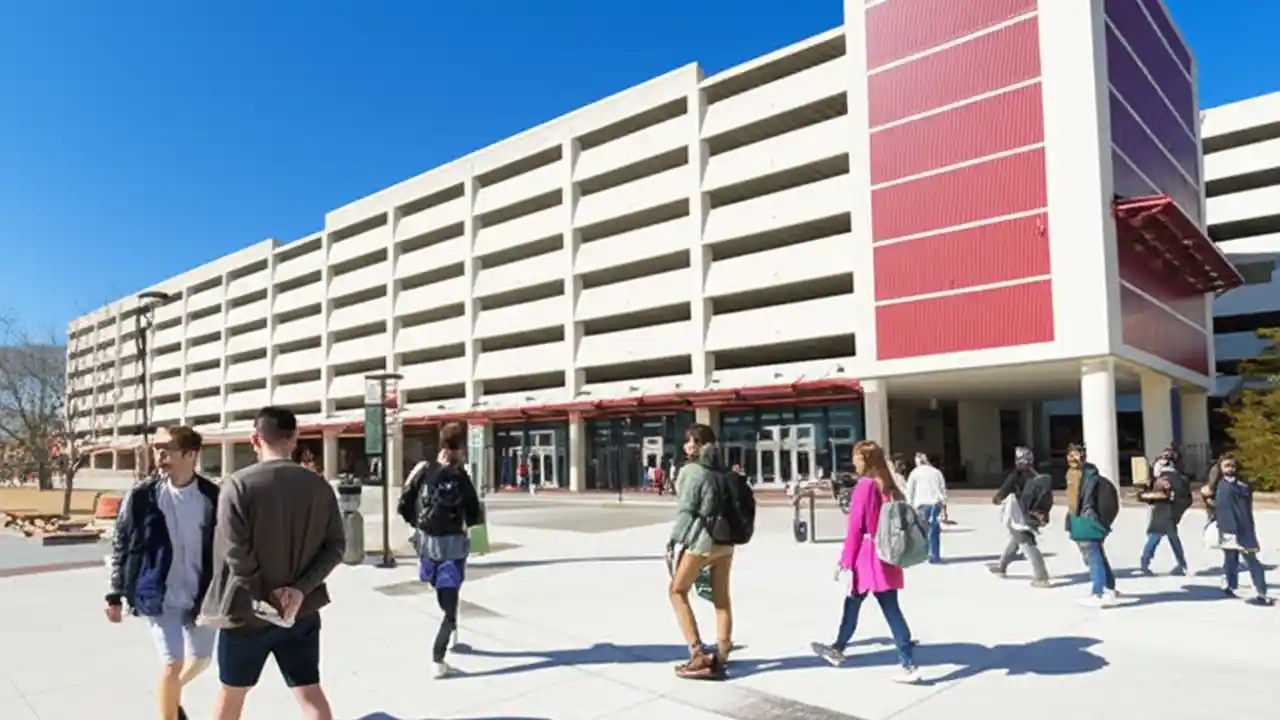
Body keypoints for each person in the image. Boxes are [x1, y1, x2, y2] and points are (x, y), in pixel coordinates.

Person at [201, 407, 345, 720]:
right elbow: (335, 548)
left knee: (232, 695)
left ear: (255, 439)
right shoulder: (320, 487)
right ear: (294, 438)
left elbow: (235, 553)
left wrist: (267, 595)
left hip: (246, 613)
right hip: (301, 612)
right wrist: (298, 590)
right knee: (310, 692)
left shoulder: (237, 486)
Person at [106, 426, 219, 720]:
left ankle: (170, 694)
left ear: (191, 454)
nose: (160, 455)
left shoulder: (212, 496)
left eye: (167, 448)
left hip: (200, 595)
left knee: (203, 659)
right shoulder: (143, 496)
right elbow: (121, 542)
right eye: (157, 448)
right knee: (173, 662)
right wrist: (114, 593)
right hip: (158, 593)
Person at [811, 441, 919, 683]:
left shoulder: (865, 486)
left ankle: (905, 663)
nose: (854, 462)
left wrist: (845, 561)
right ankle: (905, 659)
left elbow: (855, 528)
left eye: (857, 457)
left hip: (868, 556)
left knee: (855, 602)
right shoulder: (888, 486)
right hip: (888, 554)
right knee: (889, 607)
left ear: (866, 460)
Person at [400, 422, 483, 677]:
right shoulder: (462, 477)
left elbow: (403, 505)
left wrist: (419, 529)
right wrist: (479, 545)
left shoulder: (424, 470)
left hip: (427, 548)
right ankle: (438, 657)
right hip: (453, 549)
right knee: (449, 604)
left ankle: (454, 632)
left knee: (444, 597)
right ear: (460, 448)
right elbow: (475, 517)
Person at [666, 423, 734, 681]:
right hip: (726, 541)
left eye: (693, 441)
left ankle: (698, 654)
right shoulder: (723, 469)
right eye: (687, 441)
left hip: (702, 541)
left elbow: (686, 511)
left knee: (677, 590)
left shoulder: (692, 471)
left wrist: (674, 541)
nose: (689, 446)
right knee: (722, 599)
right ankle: (722, 655)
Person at [1214, 456, 1273, 606]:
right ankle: (1230, 585)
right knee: (1230, 559)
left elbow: (1243, 511)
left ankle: (1261, 592)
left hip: (1242, 529)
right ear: (1220, 468)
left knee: (1252, 561)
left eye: (1232, 466)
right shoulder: (1219, 486)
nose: (1230, 468)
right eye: (1226, 466)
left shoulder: (1243, 487)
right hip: (1227, 530)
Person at [989, 447, 1051, 588]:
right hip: (1033, 513)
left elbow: (1003, 492)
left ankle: (1041, 577)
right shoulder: (1036, 475)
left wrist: (997, 499)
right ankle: (1002, 566)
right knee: (1016, 539)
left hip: (1019, 515)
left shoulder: (1017, 475)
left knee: (1027, 542)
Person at [1075, 461, 1120, 608]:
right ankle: (1109, 587)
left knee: (1094, 558)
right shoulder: (1104, 483)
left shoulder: (1087, 484)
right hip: (1098, 525)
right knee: (1098, 556)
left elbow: (1081, 507)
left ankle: (1098, 592)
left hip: (1090, 525)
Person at [1139, 453, 1192, 576]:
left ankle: (1145, 563)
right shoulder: (1181, 479)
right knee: (1173, 540)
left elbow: (1154, 495)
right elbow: (1187, 499)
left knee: (1154, 538)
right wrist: (1179, 511)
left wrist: (1149, 498)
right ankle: (1182, 564)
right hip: (1172, 514)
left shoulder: (1163, 480)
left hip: (1161, 512)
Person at [905, 452, 947, 564]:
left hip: (921, 503)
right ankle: (935, 555)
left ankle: (926, 553)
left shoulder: (915, 473)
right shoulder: (936, 472)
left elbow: (910, 490)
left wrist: (910, 505)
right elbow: (943, 488)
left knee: (923, 530)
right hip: (935, 503)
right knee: (934, 529)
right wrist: (944, 504)